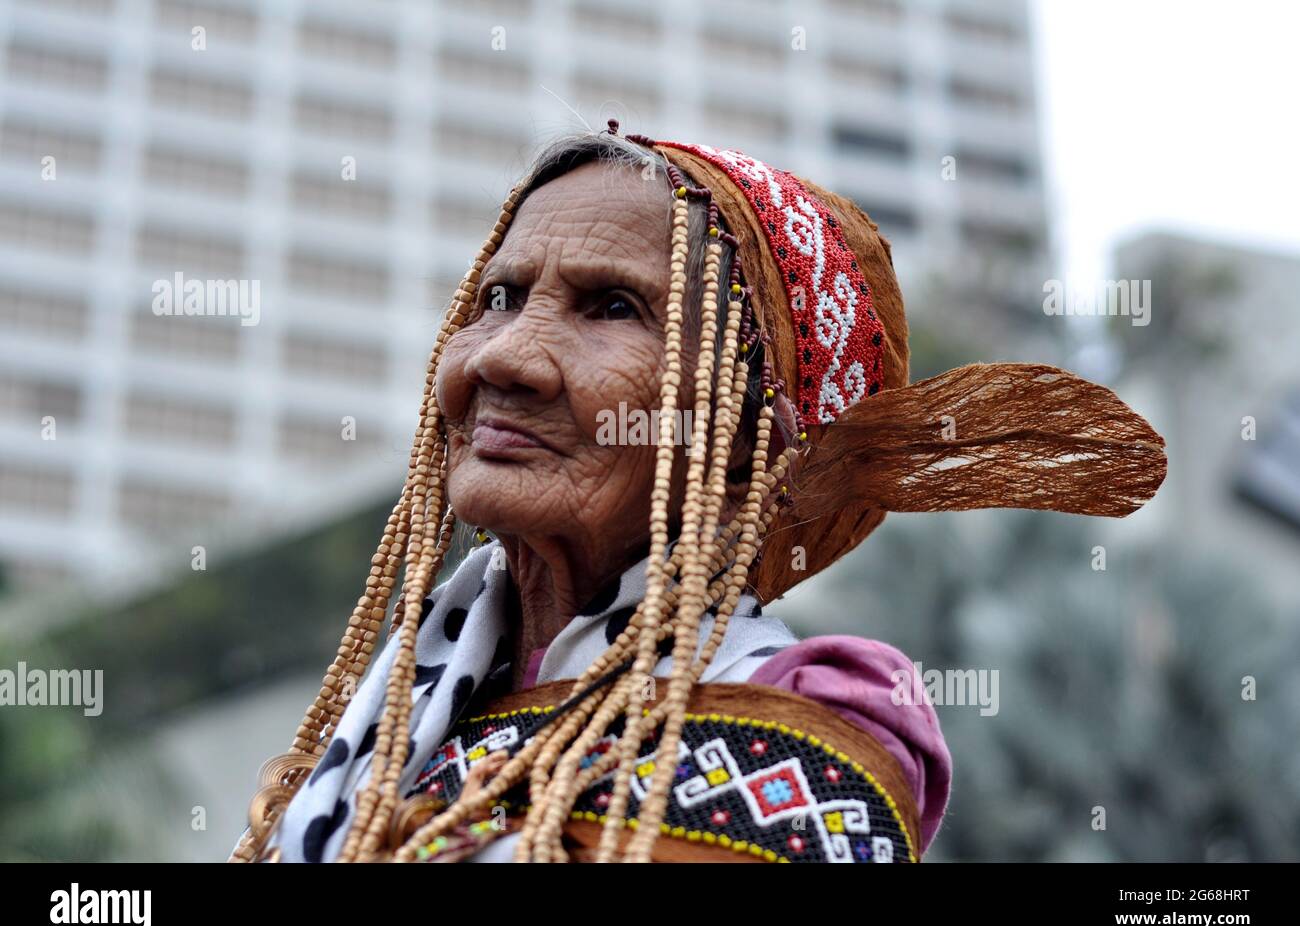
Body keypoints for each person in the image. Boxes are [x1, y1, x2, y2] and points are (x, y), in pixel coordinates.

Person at [230, 122, 1166, 864]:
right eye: (501, 297)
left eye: (612, 306)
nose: (505, 356)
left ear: (755, 437)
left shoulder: (816, 730)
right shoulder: (391, 718)